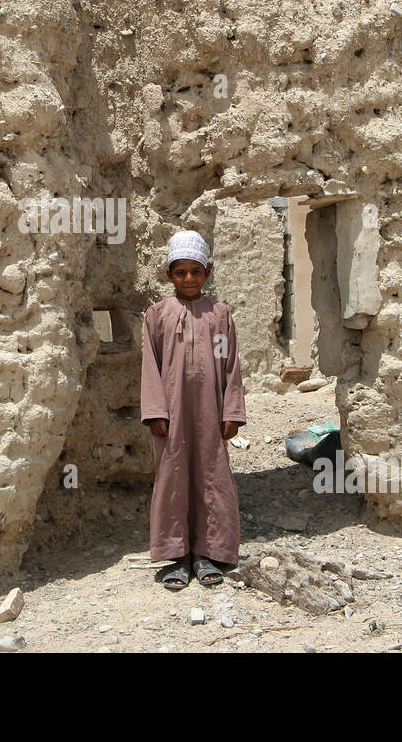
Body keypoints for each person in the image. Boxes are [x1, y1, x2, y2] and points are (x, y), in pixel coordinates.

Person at [140, 229, 247, 590]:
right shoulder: (157, 315)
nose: (188, 278)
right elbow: (151, 366)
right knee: (173, 477)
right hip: (171, 412)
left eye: (196, 271)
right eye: (180, 272)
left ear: (207, 273)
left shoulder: (220, 315)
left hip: (210, 411)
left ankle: (207, 552)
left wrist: (231, 410)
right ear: (169, 275)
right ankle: (177, 556)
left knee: (211, 476)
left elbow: (230, 363)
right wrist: (156, 410)